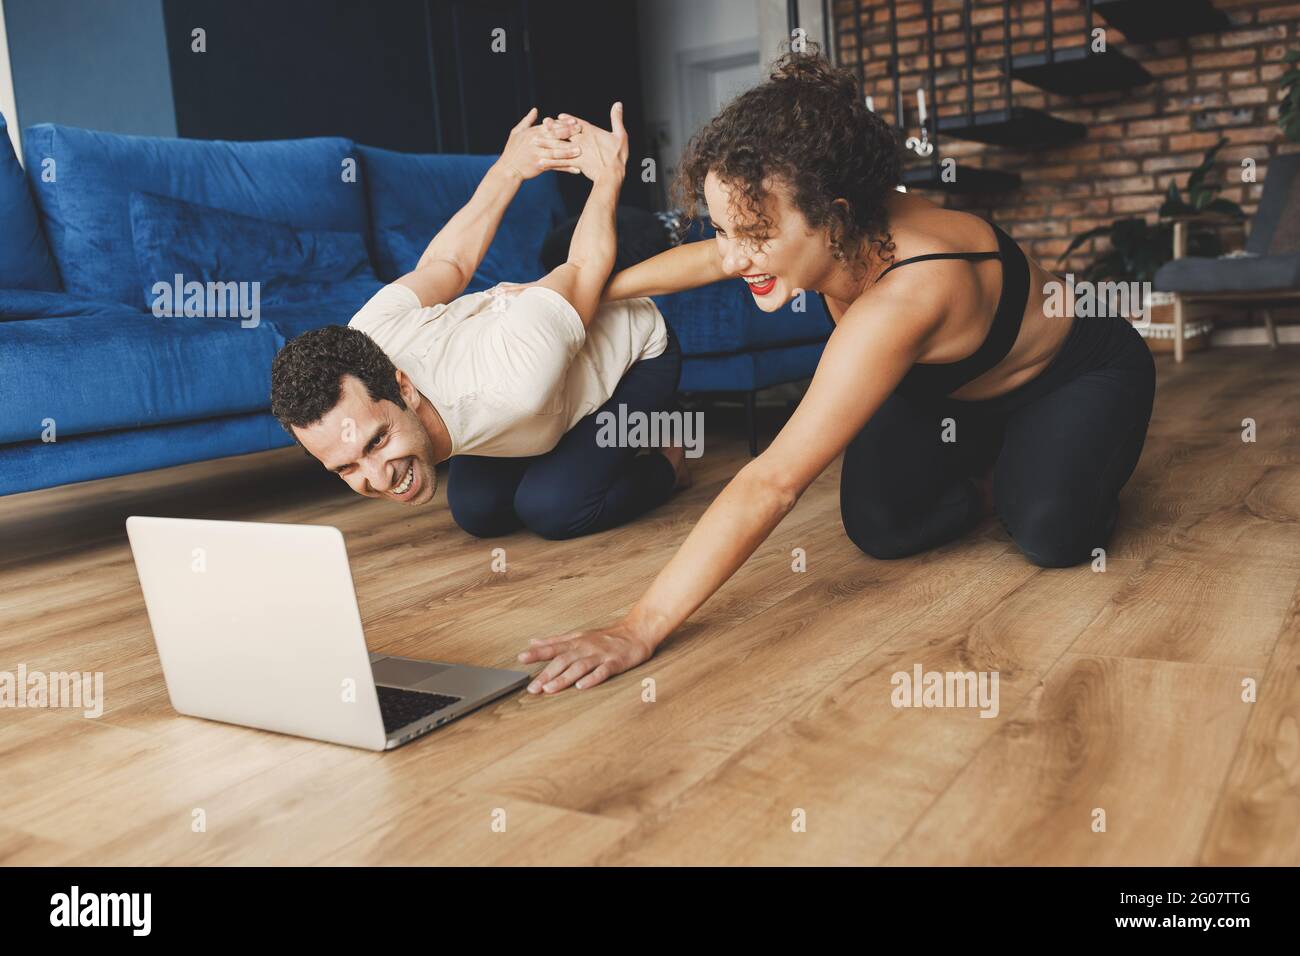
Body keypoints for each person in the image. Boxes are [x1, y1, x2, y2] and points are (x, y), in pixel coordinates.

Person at [518, 50, 1156, 694]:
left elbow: (772, 481)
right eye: (723, 228)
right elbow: (713, 259)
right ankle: (995, 467)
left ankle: (1042, 469)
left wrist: (638, 627)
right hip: (949, 391)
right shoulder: (815, 218)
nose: (737, 257)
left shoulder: (907, 295)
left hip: (1073, 371)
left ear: (836, 216)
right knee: (881, 527)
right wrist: (580, 295)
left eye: (757, 234)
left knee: (1050, 533)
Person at [269, 104, 689, 540]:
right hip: (541, 390)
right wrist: (509, 167)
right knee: (479, 511)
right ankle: (558, 442)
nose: (377, 478)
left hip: (635, 359)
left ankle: (670, 463)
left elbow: (584, 266)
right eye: (346, 467)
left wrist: (610, 173)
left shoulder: (511, 382)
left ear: (405, 388)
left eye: (376, 442)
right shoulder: (361, 342)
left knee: (553, 509)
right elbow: (447, 262)